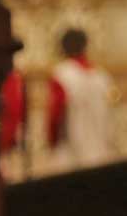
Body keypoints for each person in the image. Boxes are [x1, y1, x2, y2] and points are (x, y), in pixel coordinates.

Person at [47, 27, 116, 172]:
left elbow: (55, 116)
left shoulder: (61, 75)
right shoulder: (103, 77)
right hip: (100, 152)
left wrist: (52, 144)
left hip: (71, 156)